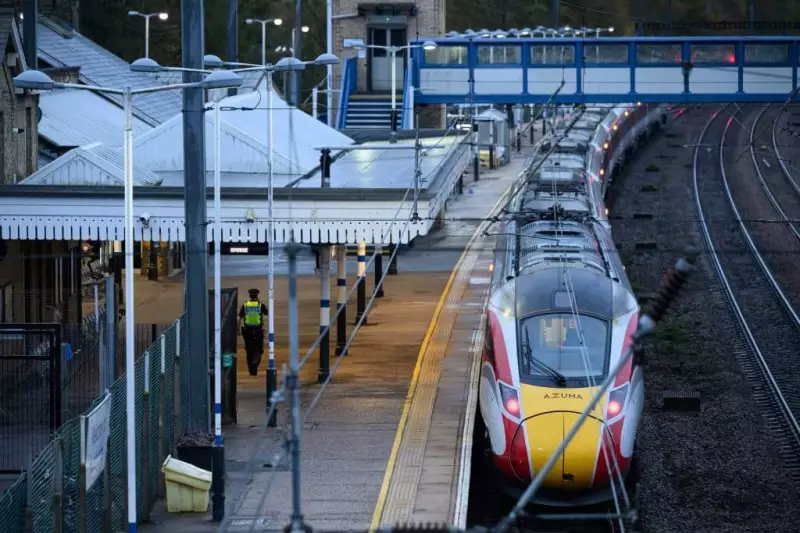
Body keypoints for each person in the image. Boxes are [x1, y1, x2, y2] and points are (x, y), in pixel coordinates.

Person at [238, 288, 268, 376]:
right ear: (257, 295)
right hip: (258, 331)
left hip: (247, 331)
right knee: (258, 350)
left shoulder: (245, 305)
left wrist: (237, 329)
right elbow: (266, 313)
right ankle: (254, 363)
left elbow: (240, 318)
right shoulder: (260, 305)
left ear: (249, 295)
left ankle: (251, 370)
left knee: (249, 351)